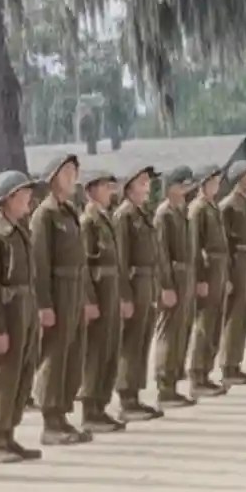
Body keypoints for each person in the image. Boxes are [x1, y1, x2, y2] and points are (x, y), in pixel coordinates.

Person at [30, 155, 97, 445]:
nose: (74, 177)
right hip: (56, 290)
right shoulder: (44, 215)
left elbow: (80, 260)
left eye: (75, 172)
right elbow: (39, 264)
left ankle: (62, 414)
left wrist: (84, 297)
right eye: (68, 172)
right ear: (53, 177)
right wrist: (44, 304)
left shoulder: (70, 212)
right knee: (54, 355)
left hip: (74, 289)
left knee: (72, 354)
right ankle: (49, 420)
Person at [0, 170, 44, 462]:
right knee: (5, 373)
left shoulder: (20, 228)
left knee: (23, 371)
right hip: (9, 310)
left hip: (26, 305)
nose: (28, 200)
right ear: (8, 198)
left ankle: (9, 433)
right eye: (23, 194)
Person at [112, 166, 164, 421]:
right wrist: (125, 296)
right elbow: (121, 259)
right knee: (131, 343)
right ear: (129, 186)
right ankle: (126, 398)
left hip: (147, 282)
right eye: (143, 182)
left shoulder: (142, 214)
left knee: (142, 340)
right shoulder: (124, 216)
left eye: (148, 182)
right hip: (134, 283)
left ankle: (135, 393)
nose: (147, 187)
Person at [78, 171, 127, 432]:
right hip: (98, 291)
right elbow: (83, 264)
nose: (111, 191)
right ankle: (89, 409)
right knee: (96, 351)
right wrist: (89, 299)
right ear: (91, 191)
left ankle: (100, 406)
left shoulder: (106, 219)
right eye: (106, 187)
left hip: (111, 289)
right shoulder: (88, 221)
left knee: (109, 349)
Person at [151, 165, 198, 409]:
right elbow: (161, 255)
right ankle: (164, 386)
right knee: (169, 333)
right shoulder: (164, 215)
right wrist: (166, 286)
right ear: (170, 188)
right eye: (181, 186)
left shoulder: (182, 212)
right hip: (173, 278)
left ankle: (174, 381)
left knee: (182, 332)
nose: (185, 190)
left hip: (186, 277)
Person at [218, 160, 246, 386]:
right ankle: (227, 366)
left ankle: (236, 363)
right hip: (235, 261)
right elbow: (223, 243)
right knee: (234, 317)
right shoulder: (228, 205)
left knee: (245, 316)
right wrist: (225, 275)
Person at [186, 164, 229, 398]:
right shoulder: (197, 209)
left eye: (218, 181)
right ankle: (196, 375)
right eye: (212, 181)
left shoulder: (213, 207)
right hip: (207, 269)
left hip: (219, 269)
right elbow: (194, 247)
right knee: (204, 325)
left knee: (214, 324)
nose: (216, 185)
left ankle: (206, 372)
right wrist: (200, 278)